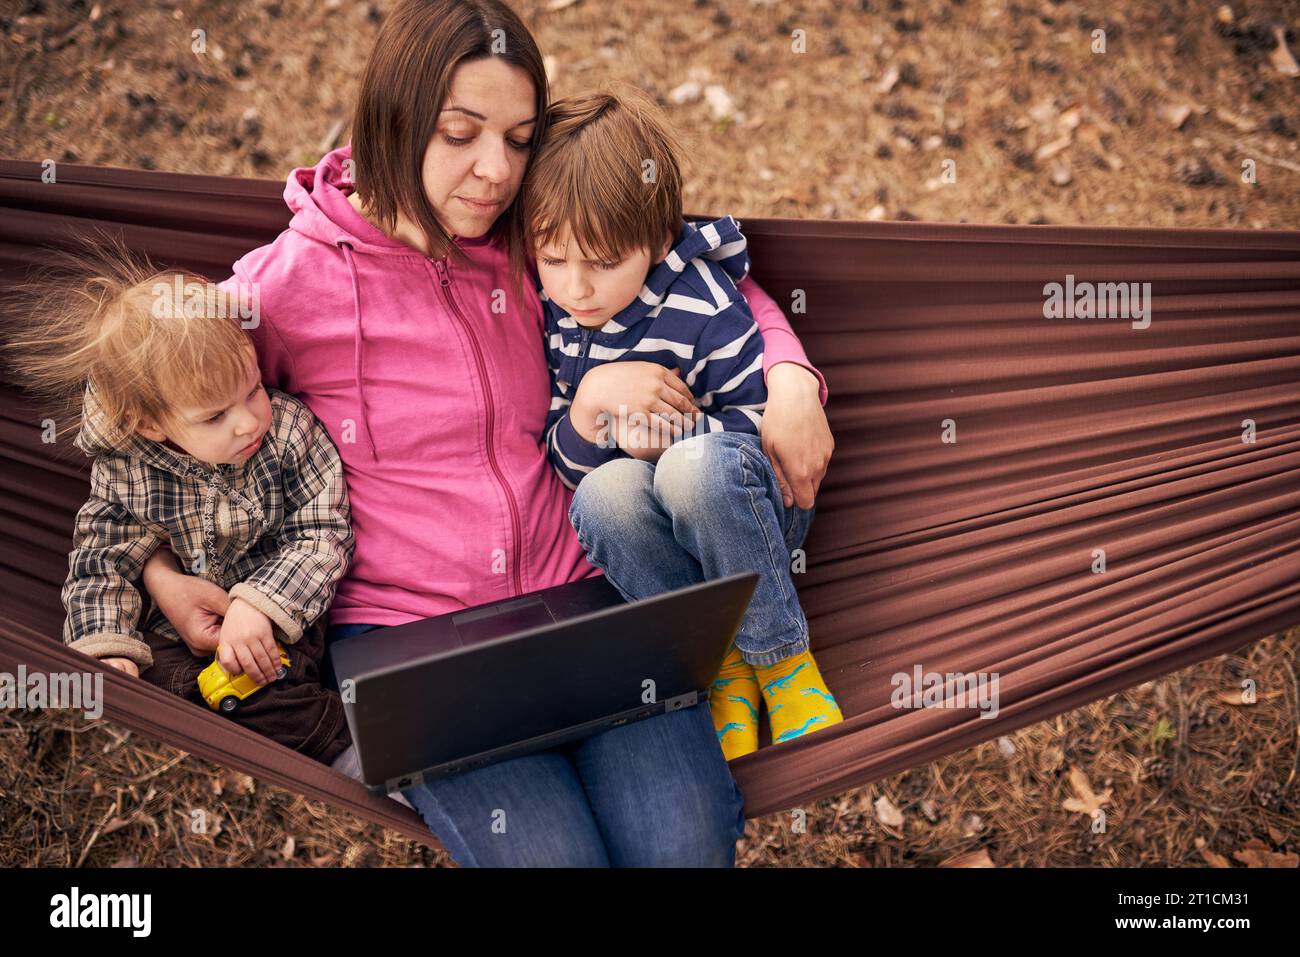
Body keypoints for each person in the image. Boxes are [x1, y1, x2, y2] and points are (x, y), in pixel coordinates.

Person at [141, 0, 833, 867]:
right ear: (394, 120)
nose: (494, 170)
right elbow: (149, 415)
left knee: (684, 844)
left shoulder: (540, 240)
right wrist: (157, 568)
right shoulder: (284, 286)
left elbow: (690, 272)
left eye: (517, 137)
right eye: (461, 133)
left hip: (590, 600)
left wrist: (790, 377)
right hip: (415, 643)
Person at [525, 87, 843, 761]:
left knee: (689, 468)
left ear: (656, 239)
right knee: (601, 494)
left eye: (603, 262)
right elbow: (567, 463)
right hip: (662, 543)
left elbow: (758, 432)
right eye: (554, 260)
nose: (577, 286)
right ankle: (721, 664)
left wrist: (676, 439)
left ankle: (784, 666)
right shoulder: (554, 318)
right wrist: (588, 410)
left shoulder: (699, 303)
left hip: (744, 509)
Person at [2, 248, 353, 765]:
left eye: (253, 388)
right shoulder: (128, 467)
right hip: (173, 632)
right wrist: (109, 645)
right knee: (151, 690)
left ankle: (346, 748)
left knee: (267, 697)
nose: (248, 421)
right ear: (150, 425)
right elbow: (102, 559)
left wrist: (258, 604)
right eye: (214, 416)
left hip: (277, 616)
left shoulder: (288, 432)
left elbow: (324, 530)